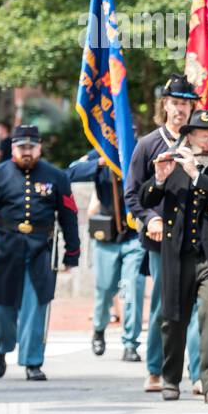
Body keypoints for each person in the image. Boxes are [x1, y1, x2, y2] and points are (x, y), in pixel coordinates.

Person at [139, 109, 208, 403]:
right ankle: (171, 379)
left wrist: (196, 174)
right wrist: (159, 180)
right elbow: (145, 198)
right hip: (178, 255)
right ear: (190, 137)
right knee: (172, 317)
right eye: (206, 135)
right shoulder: (172, 162)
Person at [0, 124, 81, 380]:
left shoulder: (56, 177)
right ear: (13, 148)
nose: (27, 152)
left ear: (39, 147)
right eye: (22, 147)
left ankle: (32, 362)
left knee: (35, 306)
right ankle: (1, 346)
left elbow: (69, 216)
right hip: (1, 251)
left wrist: (71, 253)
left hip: (39, 250)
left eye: (31, 147)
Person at [125, 75, 202, 392]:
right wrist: (150, 219)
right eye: (175, 103)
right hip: (161, 238)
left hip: (198, 236)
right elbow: (132, 195)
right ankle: (155, 369)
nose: (180, 109)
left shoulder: (200, 141)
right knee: (163, 304)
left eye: (186, 103)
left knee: (200, 305)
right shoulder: (148, 144)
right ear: (165, 105)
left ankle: (200, 373)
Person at [67, 149, 144, 361]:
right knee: (105, 289)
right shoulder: (99, 153)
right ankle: (99, 328)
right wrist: (100, 162)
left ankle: (130, 343)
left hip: (133, 238)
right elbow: (70, 173)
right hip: (107, 237)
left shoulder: (139, 150)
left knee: (131, 290)